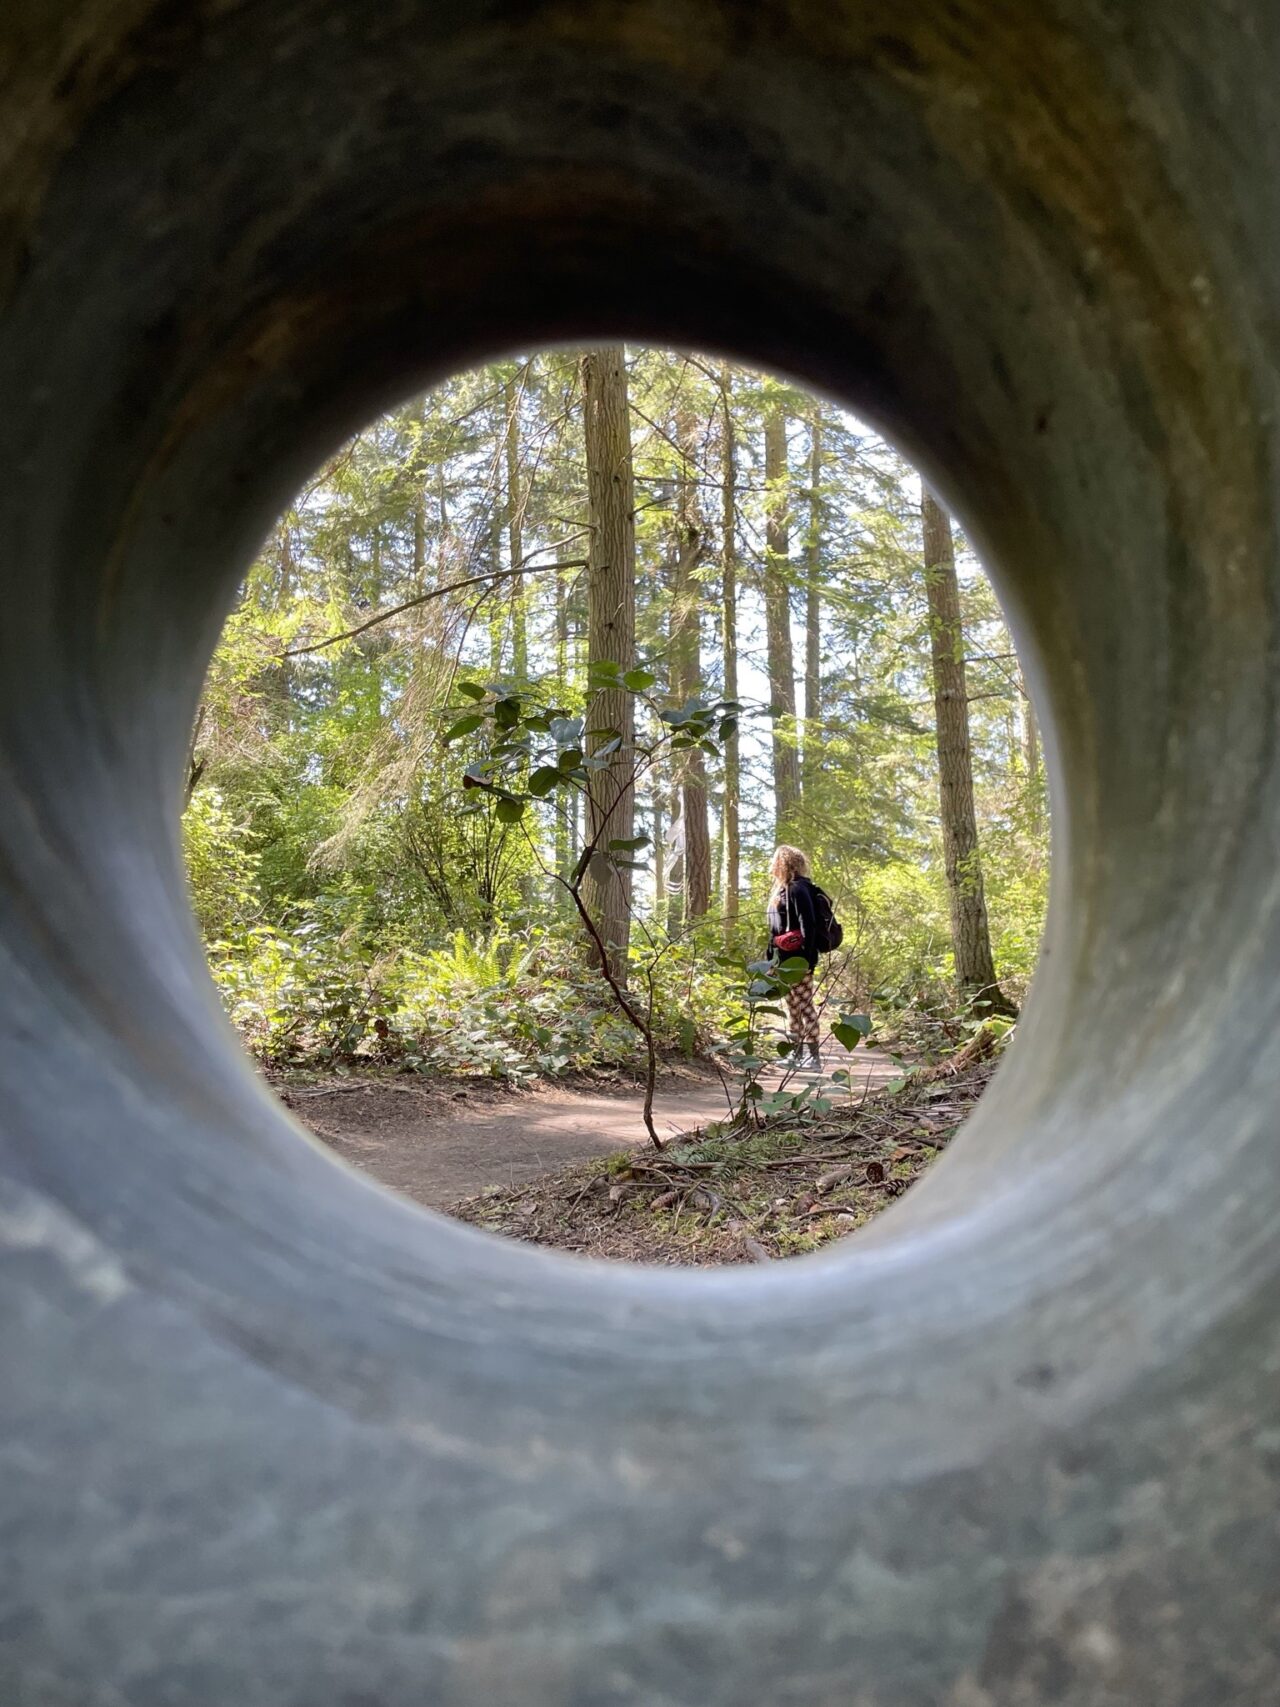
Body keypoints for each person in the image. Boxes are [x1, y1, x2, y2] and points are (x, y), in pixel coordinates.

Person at [766, 844, 823, 1070]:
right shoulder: (782, 891)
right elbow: (774, 932)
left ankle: (813, 1056)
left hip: (799, 960)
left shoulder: (799, 889)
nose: (772, 866)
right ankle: (796, 1054)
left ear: (783, 863)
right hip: (784, 961)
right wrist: (770, 961)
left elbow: (807, 925)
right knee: (793, 1007)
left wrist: (807, 962)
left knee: (805, 1005)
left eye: (775, 861)